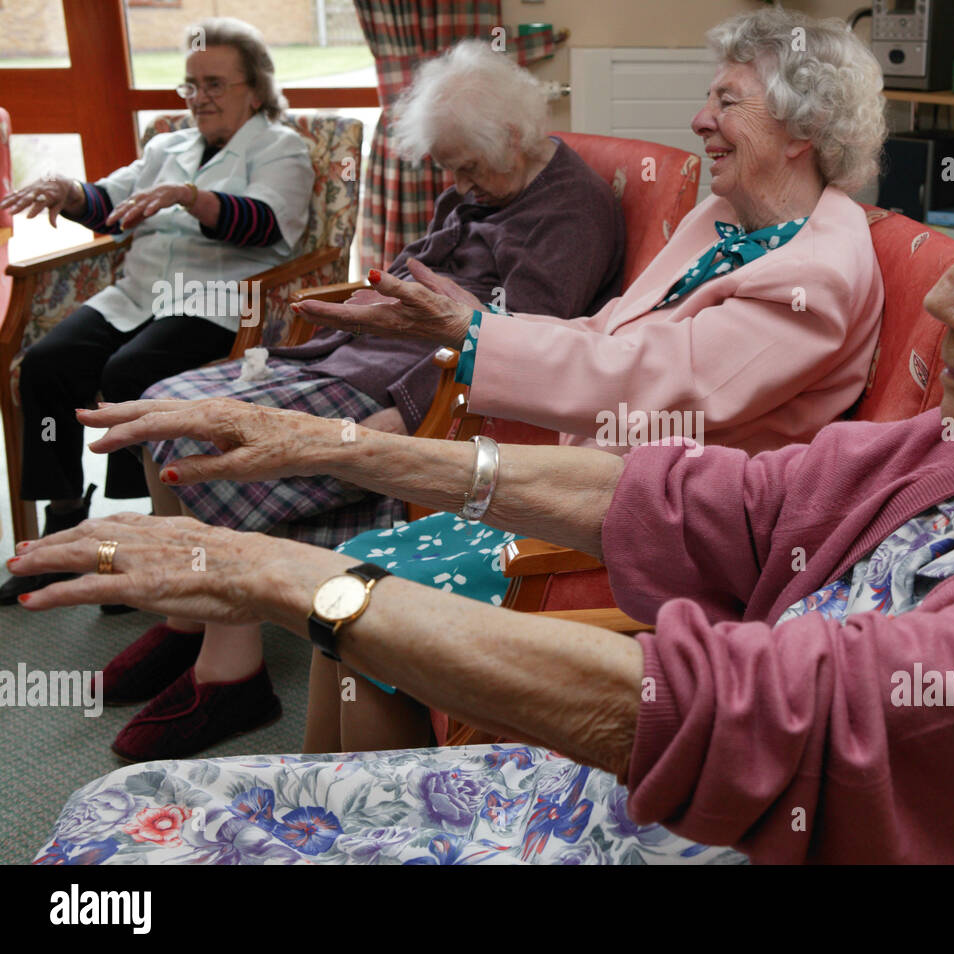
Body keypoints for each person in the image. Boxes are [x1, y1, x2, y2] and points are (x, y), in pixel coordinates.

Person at [17, 73, 954, 864]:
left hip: (683, 829)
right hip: (630, 809)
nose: (948, 295)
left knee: (116, 857)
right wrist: (333, 445)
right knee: (110, 837)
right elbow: (705, 497)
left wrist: (299, 581)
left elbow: (747, 712)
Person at [290, 6, 888, 754]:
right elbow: (609, 337)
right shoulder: (721, 223)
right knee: (342, 589)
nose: (700, 119)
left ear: (805, 128)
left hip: (663, 538)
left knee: (374, 607)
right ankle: (310, 815)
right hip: (585, 491)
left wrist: (477, 341)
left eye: (728, 101)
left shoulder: (817, 276)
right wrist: (485, 323)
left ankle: (371, 825)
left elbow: (650, 380)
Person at [78, 39, 626, 763]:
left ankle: (231, 672)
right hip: (355, 356)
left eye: (464, 165)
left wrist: (403, 413)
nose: (455, 180)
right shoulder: (490, 173)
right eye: (447, 166)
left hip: (402, 385)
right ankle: (190, 620)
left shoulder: (571, 217)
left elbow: (515, 350)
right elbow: (419, 265)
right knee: (157, 405)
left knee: (209, 445)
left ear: (518, 137)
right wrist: (355, 307)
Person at [0, 17, 313, 605]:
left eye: (214, 84)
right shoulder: (167, 145)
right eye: (191, 86)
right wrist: (70, 194)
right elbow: (113, 204)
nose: (199, 99)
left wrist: (193, 198)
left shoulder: (281, 148)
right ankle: (66, 516)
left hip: (215, 300)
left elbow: (268, 224)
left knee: (127, 374)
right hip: (137, 294)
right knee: (47, 361)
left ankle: (135, 528)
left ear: (256, 88)